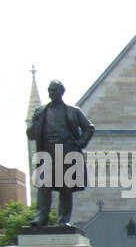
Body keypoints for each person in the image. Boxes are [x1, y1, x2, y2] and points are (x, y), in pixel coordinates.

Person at [26, 80, 95, 226]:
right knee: (44, 184)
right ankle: (40, 217)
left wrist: (80, 143)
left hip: (67, 151)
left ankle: (63, 220)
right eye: (50, 90)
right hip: (47, 152)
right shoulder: (41, 111)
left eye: (55, 90)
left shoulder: (73, 111)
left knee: (66, 186)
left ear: (61, 92)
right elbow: (31, 135)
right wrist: (34, 123)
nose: (52, 93)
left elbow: (89, 128)